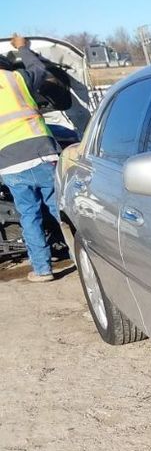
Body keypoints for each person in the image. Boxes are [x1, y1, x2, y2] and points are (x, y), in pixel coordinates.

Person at [0, 33, 68, 282]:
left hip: (10, 162)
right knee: (60, 208)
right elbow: (39, 69)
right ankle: (84, 258)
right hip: (42, 153)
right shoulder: (16, 78)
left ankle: (42, 270)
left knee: (29, 215)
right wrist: (23, 48)